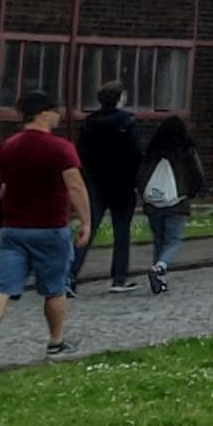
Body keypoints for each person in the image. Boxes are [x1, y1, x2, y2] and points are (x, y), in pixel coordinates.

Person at [0, 96, 92, 363]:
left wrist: (9, 192)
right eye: (55, 111)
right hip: (50, 228)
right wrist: (86, 221)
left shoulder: (7, 147)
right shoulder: (62, 148)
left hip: (13, 229)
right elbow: (75, 186)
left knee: (1, 287)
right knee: (55, 289)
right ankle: (56, 342)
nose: (59, 115)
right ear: (42, 114)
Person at [76, 82, 149, 292]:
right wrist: (136, 180)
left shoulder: (90, 122)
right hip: (122, 183)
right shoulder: (127, 121)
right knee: (122, 231)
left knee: (88, 229)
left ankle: (70, 275)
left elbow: (81, 154)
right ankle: (119, 278)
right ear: (121, 98)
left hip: (96, 182)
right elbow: (135, 153)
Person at [137, 99, 208, 293]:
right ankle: (159, 268)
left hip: (153, 204)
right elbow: (197, 176)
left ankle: (159, 276)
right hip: (177, 203)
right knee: (173, 240)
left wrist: (144, 194)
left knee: (159, 239)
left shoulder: (152, 152)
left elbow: (141, 176)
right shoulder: (186, 152)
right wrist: (190, 193)